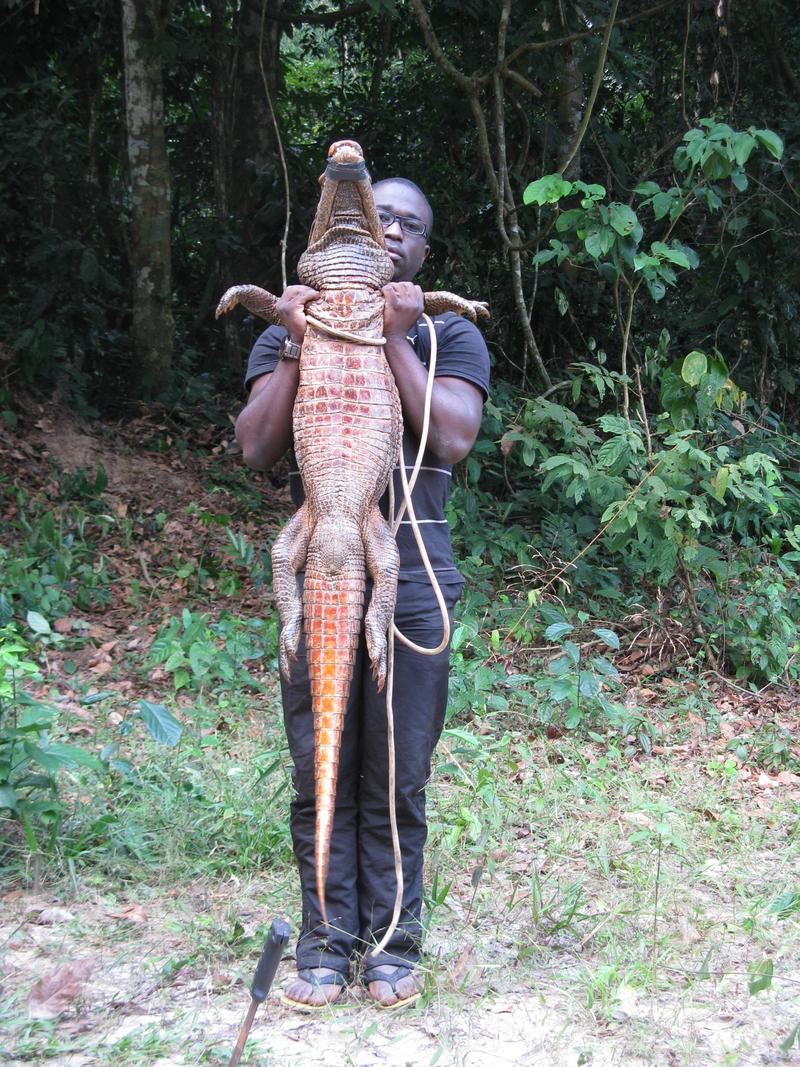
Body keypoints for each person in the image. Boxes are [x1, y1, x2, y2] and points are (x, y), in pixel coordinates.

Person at [235, 177, 490, 1009]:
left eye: (412, 224)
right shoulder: (295, 320)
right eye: (385, 217)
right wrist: (297, 338)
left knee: (396, 773)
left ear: (423, 250)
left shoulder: (448, 331)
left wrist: (397, 336)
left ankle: (390, 945)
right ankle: (325, 942)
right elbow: (255, 447)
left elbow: (451, 436)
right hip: (323, 563)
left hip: (412, 581)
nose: (395, 231)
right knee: (322, 764)